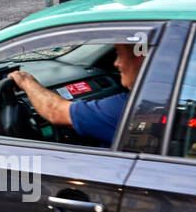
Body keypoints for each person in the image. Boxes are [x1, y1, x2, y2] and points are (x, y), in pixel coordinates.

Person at [8, 44, 146, 147]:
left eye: (120, 55)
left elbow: (55, 111)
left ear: (139, 59)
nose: (116, 63)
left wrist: (25, 81)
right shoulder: (160, 101)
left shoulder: (125, 109)